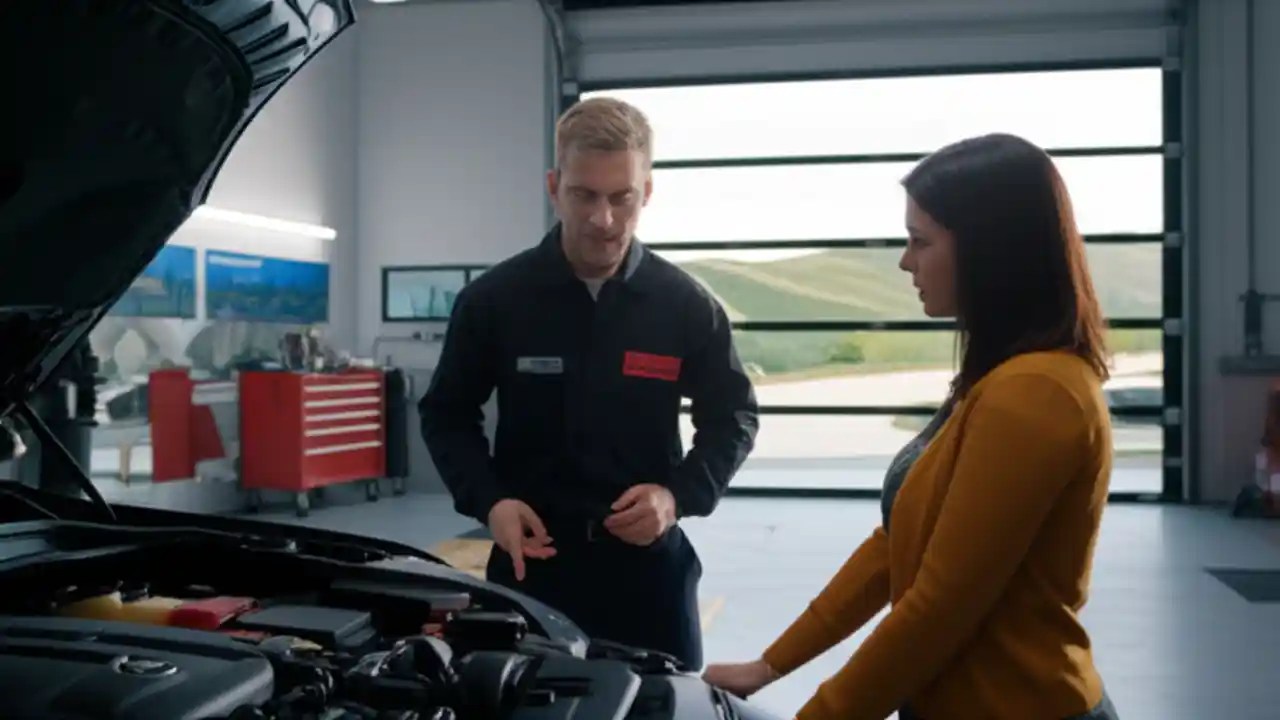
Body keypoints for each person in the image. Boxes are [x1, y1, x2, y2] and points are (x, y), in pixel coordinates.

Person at [703, 133, 1121, 720]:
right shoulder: (996, 377)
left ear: (987, 249)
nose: (905, 260)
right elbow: (895, 549)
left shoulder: (1035, 395)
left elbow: (939, 607)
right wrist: (770, 665)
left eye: (919, 240)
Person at [418, 96, 759, 671]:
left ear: (646, 192)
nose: (603, 219)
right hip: (532, 570)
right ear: (555, 186)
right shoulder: (495, 301)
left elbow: (733, 418)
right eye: (584, 195)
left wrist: (676, 496)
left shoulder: (685, 307)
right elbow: (447, 413)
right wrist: (491, 502)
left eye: (621, 197)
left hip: (648, 573)